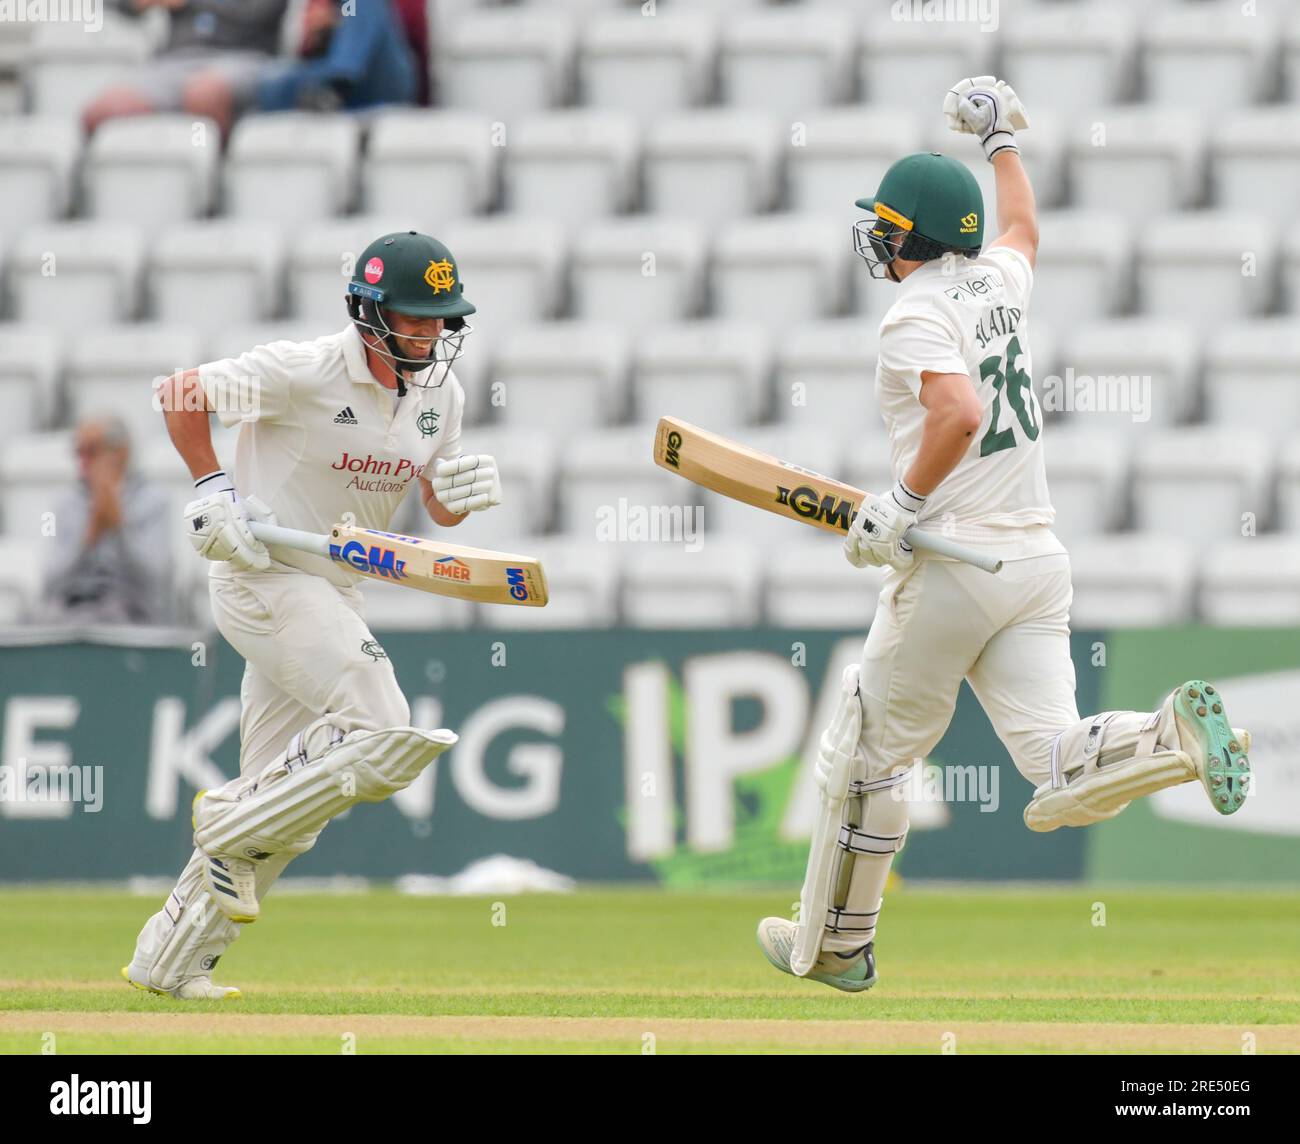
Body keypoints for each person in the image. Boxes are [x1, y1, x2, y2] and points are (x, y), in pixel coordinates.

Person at [756, 77, 1254, 993]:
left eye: (886, 225)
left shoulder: (914, 312)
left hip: (954, 565)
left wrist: (898, 506)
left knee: (867, 758)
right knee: (1056, 768)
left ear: (911, 239)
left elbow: (957, 411)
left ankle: (831, 945)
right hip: (1035, 560)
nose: (877, 237)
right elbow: (1023, 228)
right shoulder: (998, 280)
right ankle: (1164, 736)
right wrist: (1001, 143)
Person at [123, 231, 501, 999]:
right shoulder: (303, 371)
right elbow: (180, 393)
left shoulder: (441, 395)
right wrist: (211, 486)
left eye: (441, 319)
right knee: (381, 727)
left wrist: (449, 499)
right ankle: (230, 820)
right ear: (367, 313)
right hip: (261, 576)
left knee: (284, 796)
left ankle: (168, 960)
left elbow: (429, 501)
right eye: (414, 317)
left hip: (332, 589)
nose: (430, 334)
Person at [40, 415, 174, 626]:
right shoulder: (65, 504)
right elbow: (50, 586)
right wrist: (87, 539)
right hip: (71, 618)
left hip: (134, 619)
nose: (83, 462)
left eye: (93, 451)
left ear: (121, 452)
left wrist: (119, 530)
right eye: (78, 452)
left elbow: (155, 585)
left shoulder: (154, 502)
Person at [84, 0, 289, 137]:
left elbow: (263, 9)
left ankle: (213, 189)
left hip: (245, 56)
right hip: (175, 60)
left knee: (204, 94)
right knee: (103, 112)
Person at [256, 0, 417, 112]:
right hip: (343, 93)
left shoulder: (357, 4)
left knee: (273, 86)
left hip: (374, 96)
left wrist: (335, 21)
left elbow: (345, 70)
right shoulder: (334, 7)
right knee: (270, 85)